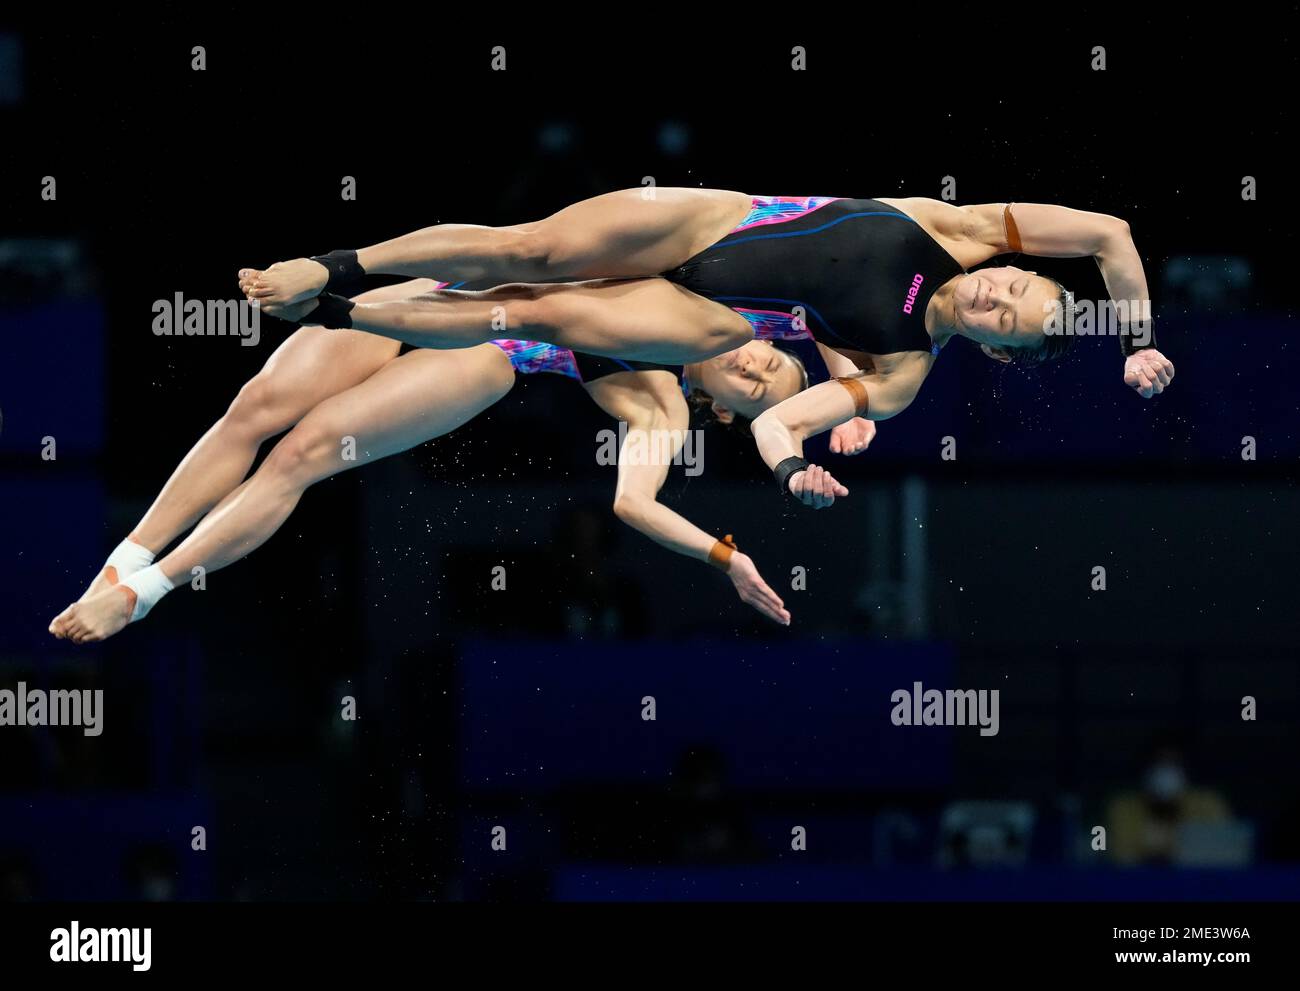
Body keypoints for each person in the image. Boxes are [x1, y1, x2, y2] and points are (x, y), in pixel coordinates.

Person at [49, 280, 875, 643]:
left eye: (768, 388)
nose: (763, 366)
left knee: (300, 451)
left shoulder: (657, 401)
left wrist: (727, 554)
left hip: (480, 353)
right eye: (773, 358)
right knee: (253, 408)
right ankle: (118, 564)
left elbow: (633, 505)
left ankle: (145, 593)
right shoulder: (713, 297)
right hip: (442, 291)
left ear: (729, 413)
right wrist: (843, 381)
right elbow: (825, 288)